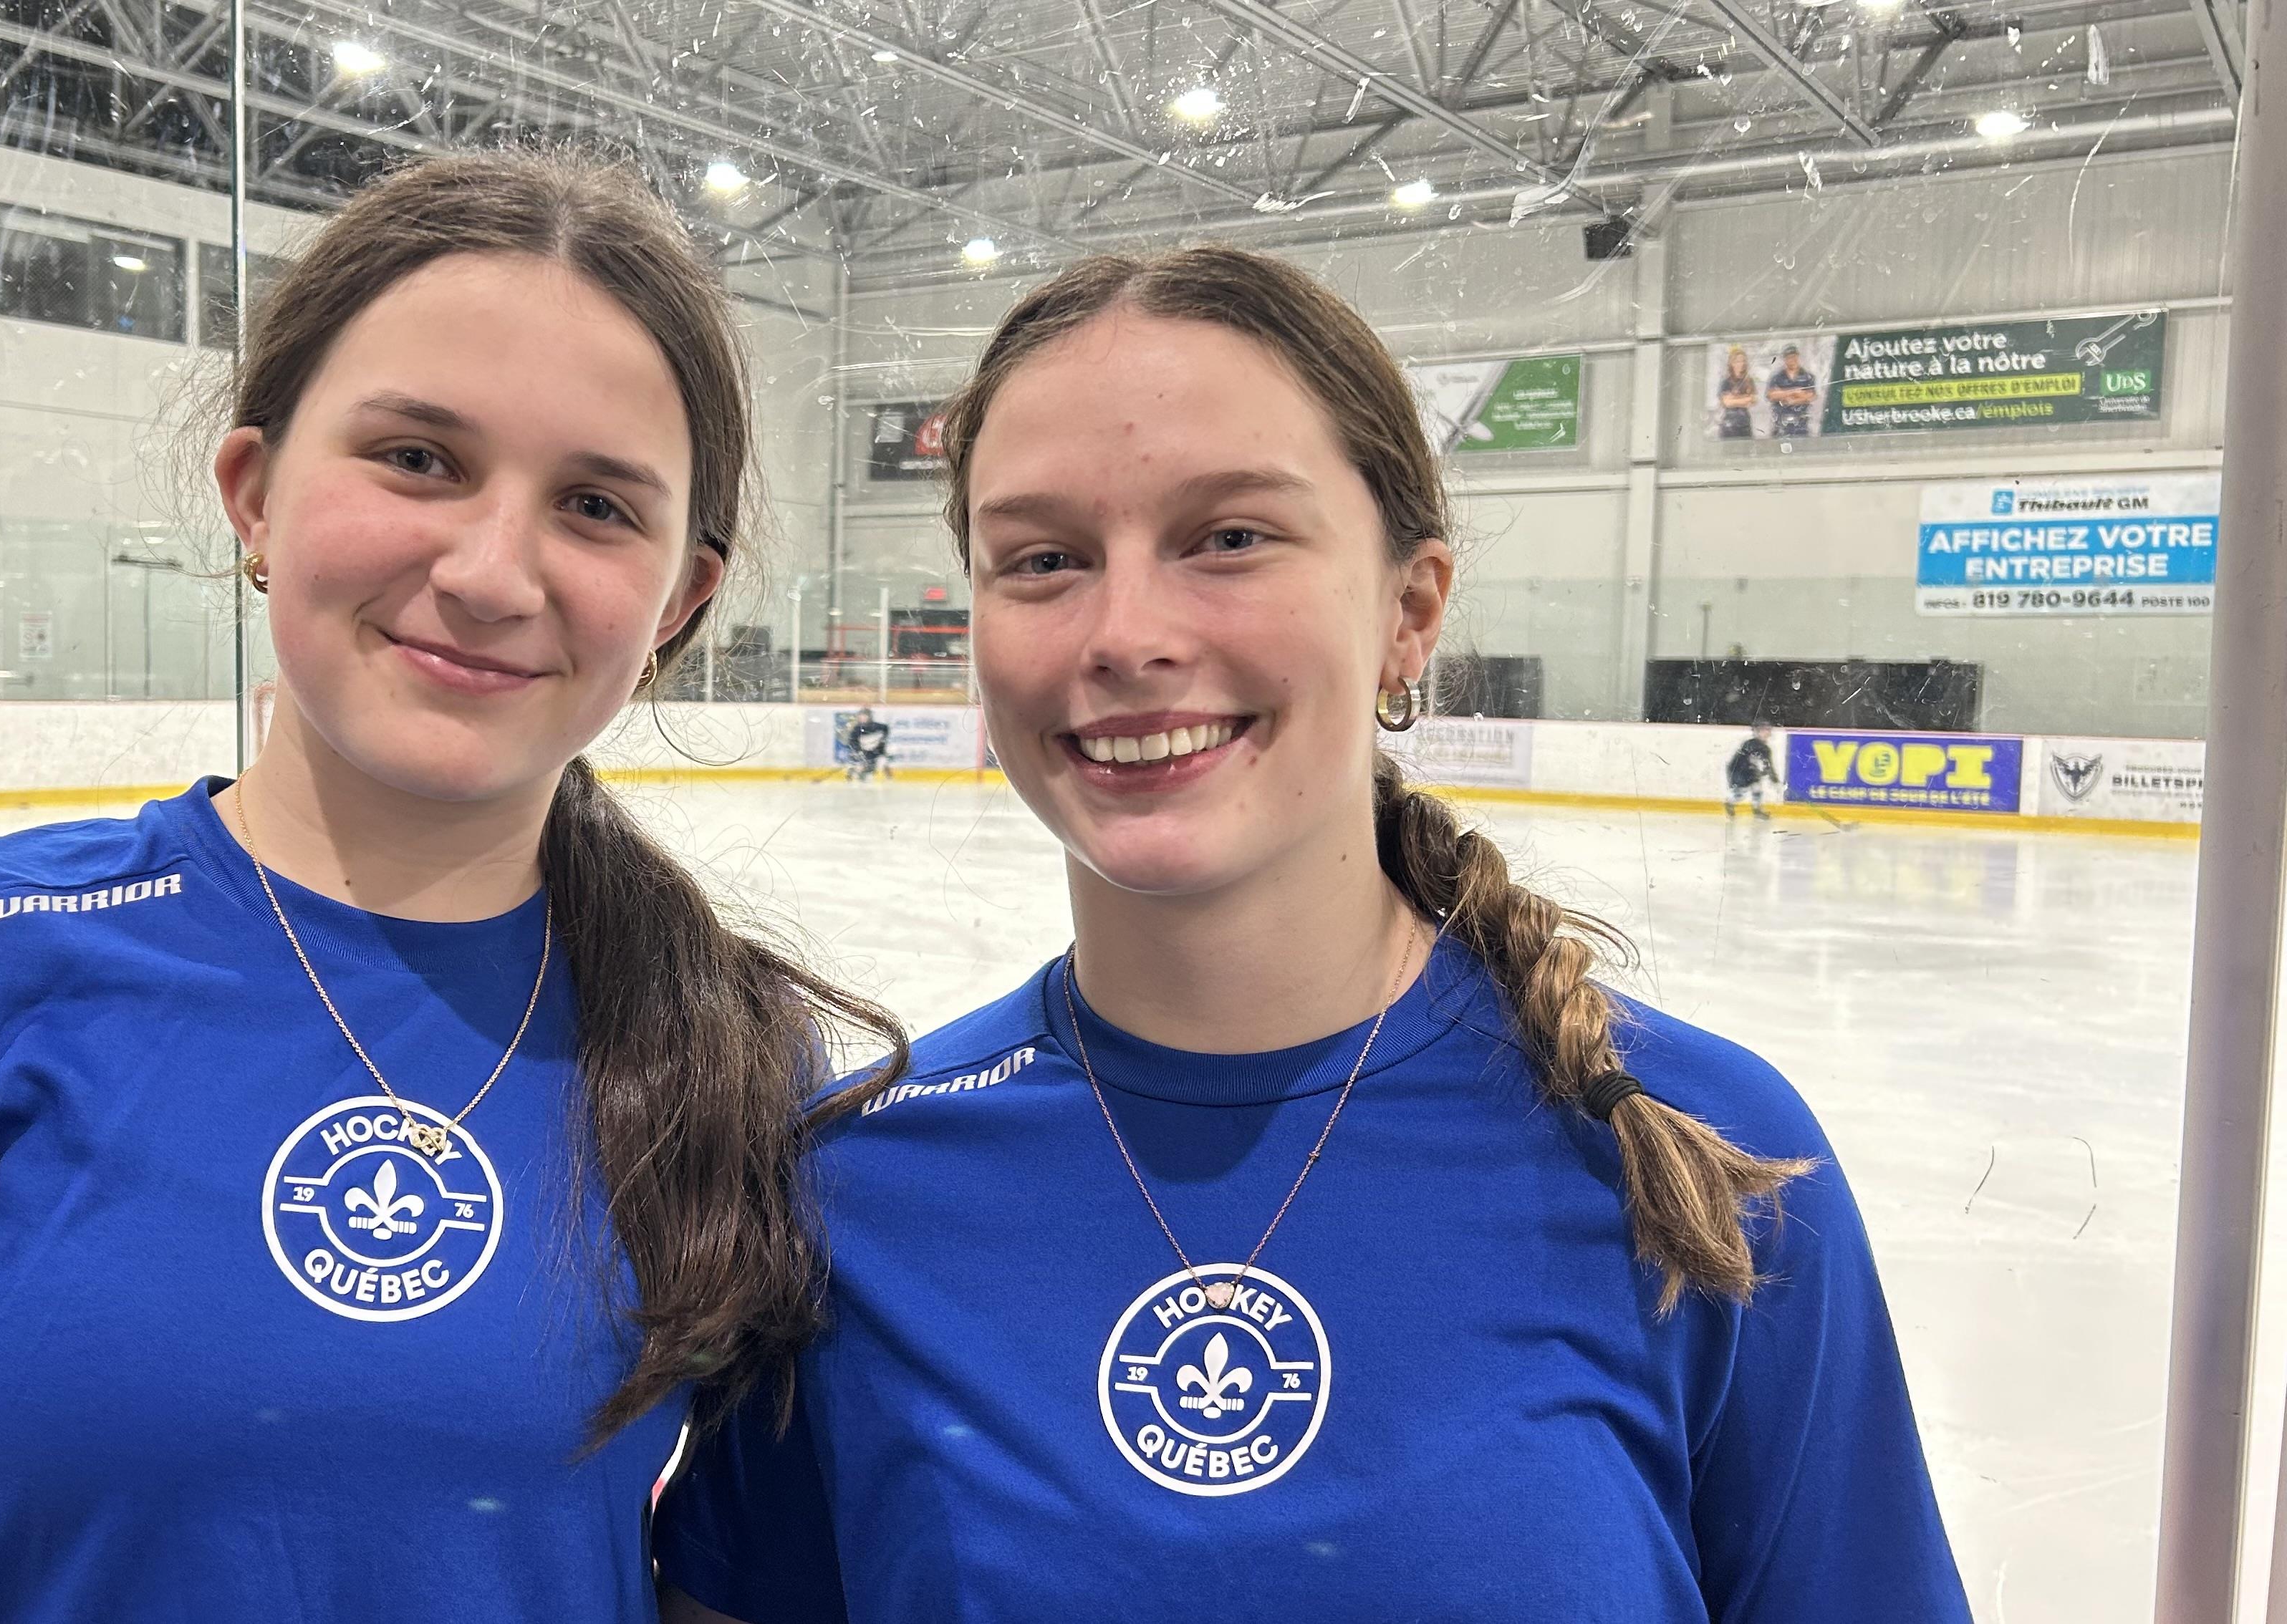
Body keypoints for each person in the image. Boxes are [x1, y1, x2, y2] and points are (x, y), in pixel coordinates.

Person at [0, 151, 902, 1624]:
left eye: (594, 504)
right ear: (255, 496)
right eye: (419, 459)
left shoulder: (733, 1058)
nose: (493, 571)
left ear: (679, 604)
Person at [655, 248, 1967, 1621]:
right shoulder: (855, 1185)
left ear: (1409, 610)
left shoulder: (1692, 1157)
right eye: (1041, 559)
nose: (1127, 632)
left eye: (1228, 536)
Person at [1766, 342, 1820, 438]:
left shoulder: (1807, 377)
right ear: (1785, 359)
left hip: (1801, 424)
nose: (1792, 360)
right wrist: (1794, 392)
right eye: (1789, 357)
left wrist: (1790, 400)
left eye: (1794, 357)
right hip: (1781, 423)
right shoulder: (1777, 377)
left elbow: (1811, 395)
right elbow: (1771, 395)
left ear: (1798, 357)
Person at [1727, 722, 1781, 818]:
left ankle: (1757, 810)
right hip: (1738, 770)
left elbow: (1768, 766)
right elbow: (1742, 760)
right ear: (1757, 732)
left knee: (1757, 787)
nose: (1766, 733)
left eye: (1768, 730)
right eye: (1763, 730)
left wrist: (1774, 778)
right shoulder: (1749, 744)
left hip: (1750, 771)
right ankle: (1730, 803)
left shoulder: (1766, 749)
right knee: (1740, 793)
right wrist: (1753, 770)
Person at [1715, 344, 1757, 439]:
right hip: (1729, 424)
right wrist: (1744, 399)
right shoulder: (1726, 382)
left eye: (1743, 361)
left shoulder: (1748, 381)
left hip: (1745, 424)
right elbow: (1727, 402)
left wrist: (1734, 399)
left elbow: (1752, 400)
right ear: (1732, 363)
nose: (1741, 364)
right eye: (1738, 361)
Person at [842, 707, 890, 780]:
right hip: (864, 754)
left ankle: (890, 780)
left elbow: (885, 731)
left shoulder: (879, 727)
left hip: (876, 754)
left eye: (864, 716)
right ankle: (850, 779)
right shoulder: (857, 729)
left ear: (869, 717)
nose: (862, 718)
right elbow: (853, 743)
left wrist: (880, 747)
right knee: (858, 768)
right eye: (861, 716)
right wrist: (858, 751)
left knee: (883, 762)